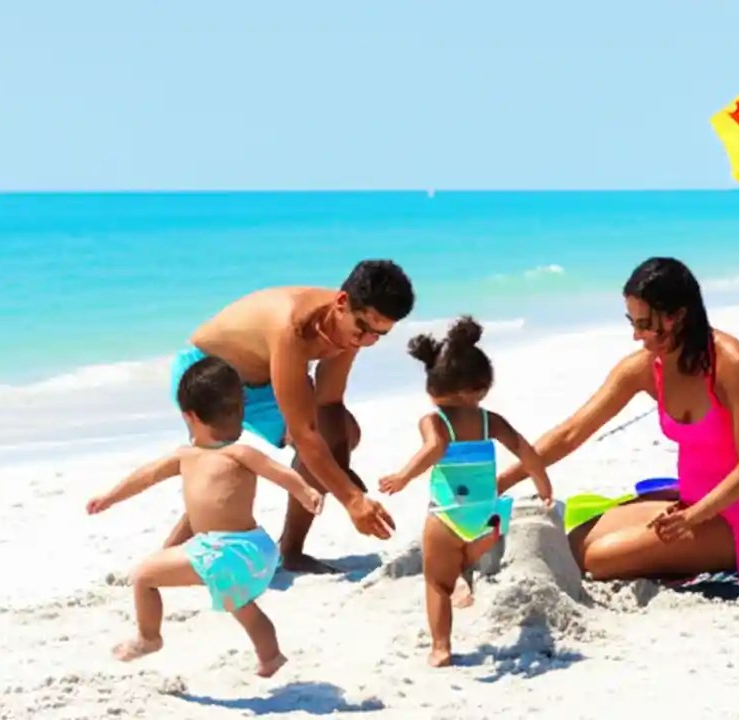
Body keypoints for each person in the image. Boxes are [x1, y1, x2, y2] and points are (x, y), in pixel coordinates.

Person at [496, 257, 739, 580]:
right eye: (631, 322)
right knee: (575, 545)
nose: (636, 336)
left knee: (598, 558)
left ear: (678, 316)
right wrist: (501, 482)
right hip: (689, 502)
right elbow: (572, 432)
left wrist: (693, 517)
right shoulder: (646, 368)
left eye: (644, 324)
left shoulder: (732, 363)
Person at [162, 259, 416, 574]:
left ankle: (291, 552)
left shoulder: (349, 330)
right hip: (209, 373)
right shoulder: (292, 326)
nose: (365, 341)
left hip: (265, 378)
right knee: (221, 469)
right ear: (341, 303)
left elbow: (330, 404)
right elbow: (305, 432)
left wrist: (340, 470)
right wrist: (351, 499)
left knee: (344, 433)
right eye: (363, 329)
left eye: (379, 334)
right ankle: (167, 556)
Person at [86, 356, 324, 678]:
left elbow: (146, 476)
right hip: (254, 551)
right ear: (240, 411)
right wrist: (305, 492)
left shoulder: (199, 455)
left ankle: (149, 638)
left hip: (224, 550)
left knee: (143, 576)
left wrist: (109, 497)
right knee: (241, 607)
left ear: (190, 417)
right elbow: (282, 473)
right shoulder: (239, 452)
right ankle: (270, 657)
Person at [377, 315, 554, 667]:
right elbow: (527, 452)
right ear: (482, 388)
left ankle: (441, 647)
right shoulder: (491, 420)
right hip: (489, 517)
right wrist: (543, 486)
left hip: (448, 514)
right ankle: (463, 575)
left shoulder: (434, 421)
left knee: (435, 582)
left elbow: (434, 448)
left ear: (433, 390)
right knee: (464, 556)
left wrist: (404, 476)